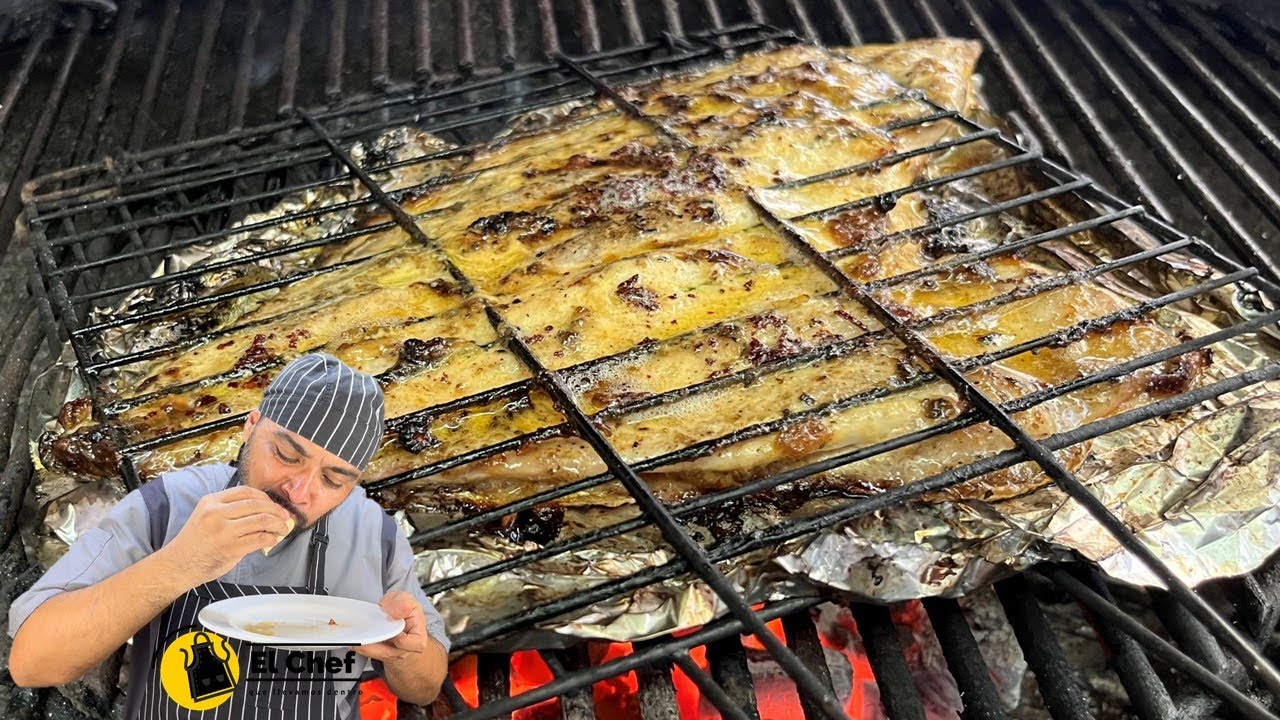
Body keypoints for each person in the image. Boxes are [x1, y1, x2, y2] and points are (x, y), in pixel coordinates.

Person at [7, 353, 450, 719]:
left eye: (333, 480)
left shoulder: (374, 535)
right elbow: (31, 663)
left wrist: (406, 651)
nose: (299, 491)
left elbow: (425, 687)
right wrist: (179, 564)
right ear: (250, 427)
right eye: (286, 454)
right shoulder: (167, 505)